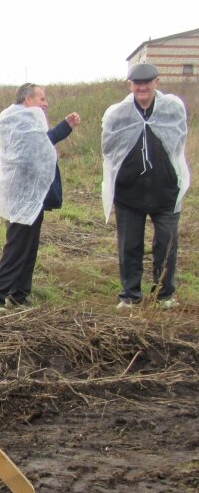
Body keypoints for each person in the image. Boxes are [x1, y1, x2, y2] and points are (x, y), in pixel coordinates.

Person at [0, 84, 81, 312]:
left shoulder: (26, 121)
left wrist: (65, 127)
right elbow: (35, 149)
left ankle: (19, 295)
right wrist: (64, 127)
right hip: (23, 194)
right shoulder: (18, 119)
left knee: (28, 245)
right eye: (41, 98)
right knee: (18, 245)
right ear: (27, 99)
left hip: (32, 195)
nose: (45, 103)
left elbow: (42, 143)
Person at [101, 62, 190, 310]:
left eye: (147, 83)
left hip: (165, 189)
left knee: (166, 242)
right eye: (137, 83)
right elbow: (108, 148)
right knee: (130, 244)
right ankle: (130, 295)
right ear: (131, 85)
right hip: (130, 191)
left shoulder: (172, 109)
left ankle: (164, 294)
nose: (142, 87)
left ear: (156, 83)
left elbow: (179, 138)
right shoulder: (118, 114)